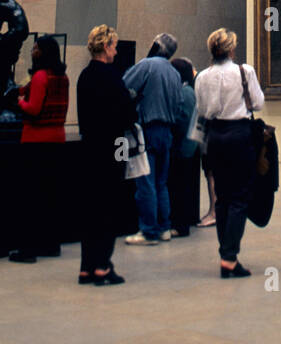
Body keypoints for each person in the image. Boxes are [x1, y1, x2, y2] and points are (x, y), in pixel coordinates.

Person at [194, 28, 264, 277]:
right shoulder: (245, 72)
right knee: (239, 197)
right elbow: (257, 102)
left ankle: (226, 253)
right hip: (238, 134)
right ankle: (229, 257)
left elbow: (201, 109)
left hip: (215, 137)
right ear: (232, 49)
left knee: (221, 196)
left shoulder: (202, 76)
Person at [76, 24, 136, 285]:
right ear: (106, 46)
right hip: (111, 149)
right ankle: (102, 265)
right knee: (108, 207)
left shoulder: (85, 76)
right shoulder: (112, 77)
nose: (116, 49)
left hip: (89, 149)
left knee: (90, 208)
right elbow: (126, 114)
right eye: (113, 45)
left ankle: (87, 266)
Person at [9, 36, 69, 263]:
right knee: (50, 195)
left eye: (36, 48)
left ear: (43, 52)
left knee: (31, 197)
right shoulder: (62, 77)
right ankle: (51, 243)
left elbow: (33, 109)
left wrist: (18, 103)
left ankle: (28, 249)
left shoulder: (41, 76)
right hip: (57, 139)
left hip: (36, 141)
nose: (33, 50)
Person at [123, 34, 182, 246]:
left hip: (147, 129)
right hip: (167, 132)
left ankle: (148, 231)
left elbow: (124, 86)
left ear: (156, 45)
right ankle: (165, 227)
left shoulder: (147, 65)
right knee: (161, 182)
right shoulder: (174, 73)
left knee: (145, 182)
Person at [168, 58, 202, 237]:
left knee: (180, 187)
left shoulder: (185, 92)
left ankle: (180, 225)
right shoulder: (188, 91)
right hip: (188, 145)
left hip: (184, 146)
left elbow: (182, 120)